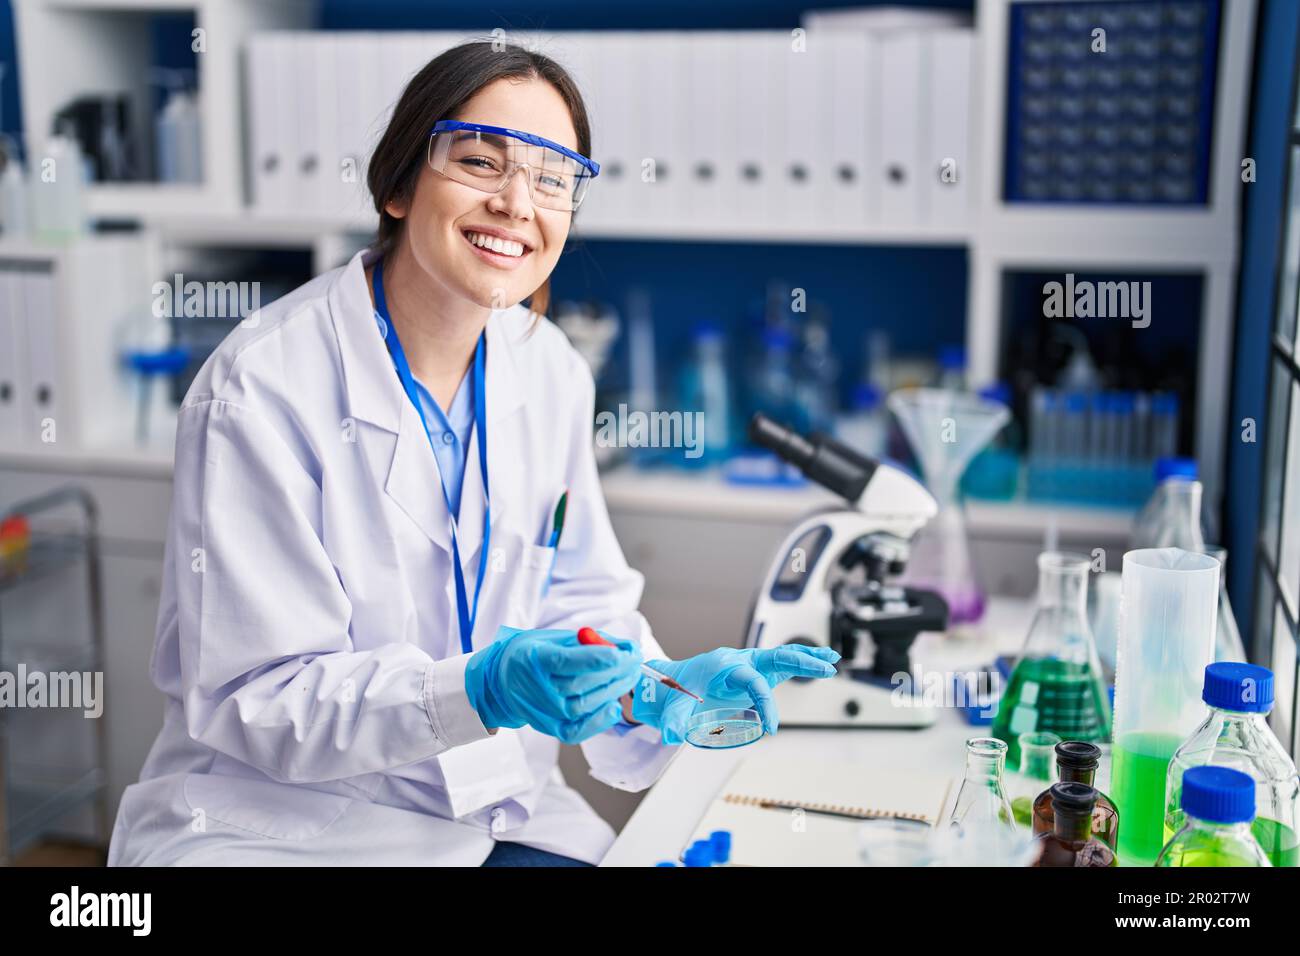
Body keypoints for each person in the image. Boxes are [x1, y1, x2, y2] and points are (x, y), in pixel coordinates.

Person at [108, 40, 837, 867]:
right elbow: (260, 696)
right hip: (282, 826)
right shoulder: (260, 388)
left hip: (495, 807)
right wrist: (479, 687)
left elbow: (579, 609)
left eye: (554, 178)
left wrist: (655, 690)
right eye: (482, 160)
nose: (517, 203)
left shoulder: (549, 368)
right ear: (396, 185)